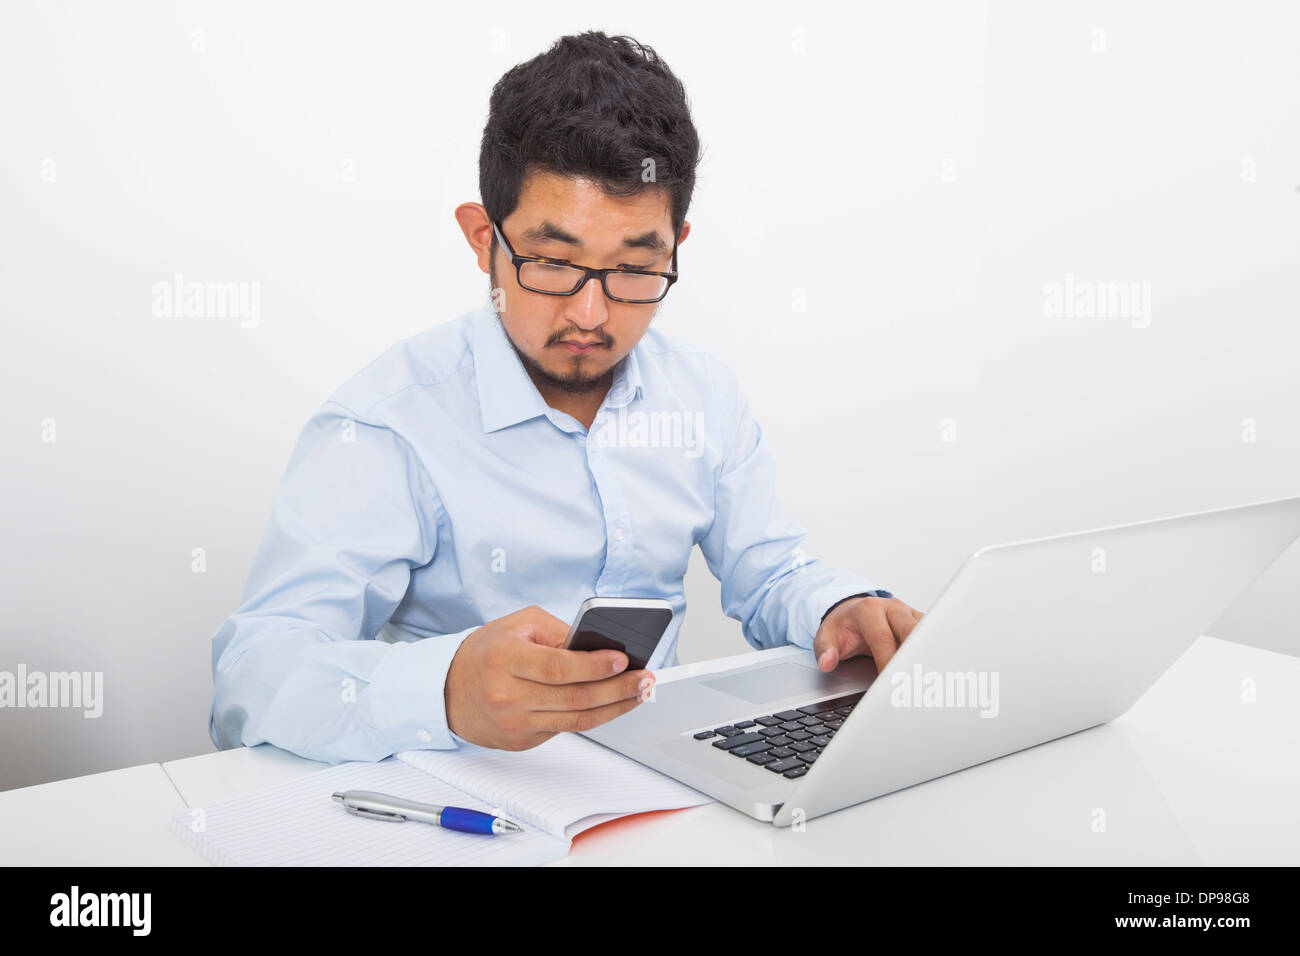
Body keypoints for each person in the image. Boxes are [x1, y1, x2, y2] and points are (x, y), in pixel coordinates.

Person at [209, 30, 924, 764]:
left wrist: (837, 609)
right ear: (482, 237)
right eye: (552, 262)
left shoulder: (702, 393)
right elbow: (252, 676)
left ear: (676, 244)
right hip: (467, 802)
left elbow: (772, 575)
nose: (591, 315)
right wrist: (445, 690)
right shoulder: (385, 425)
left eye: (635, 268)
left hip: (672, 784)